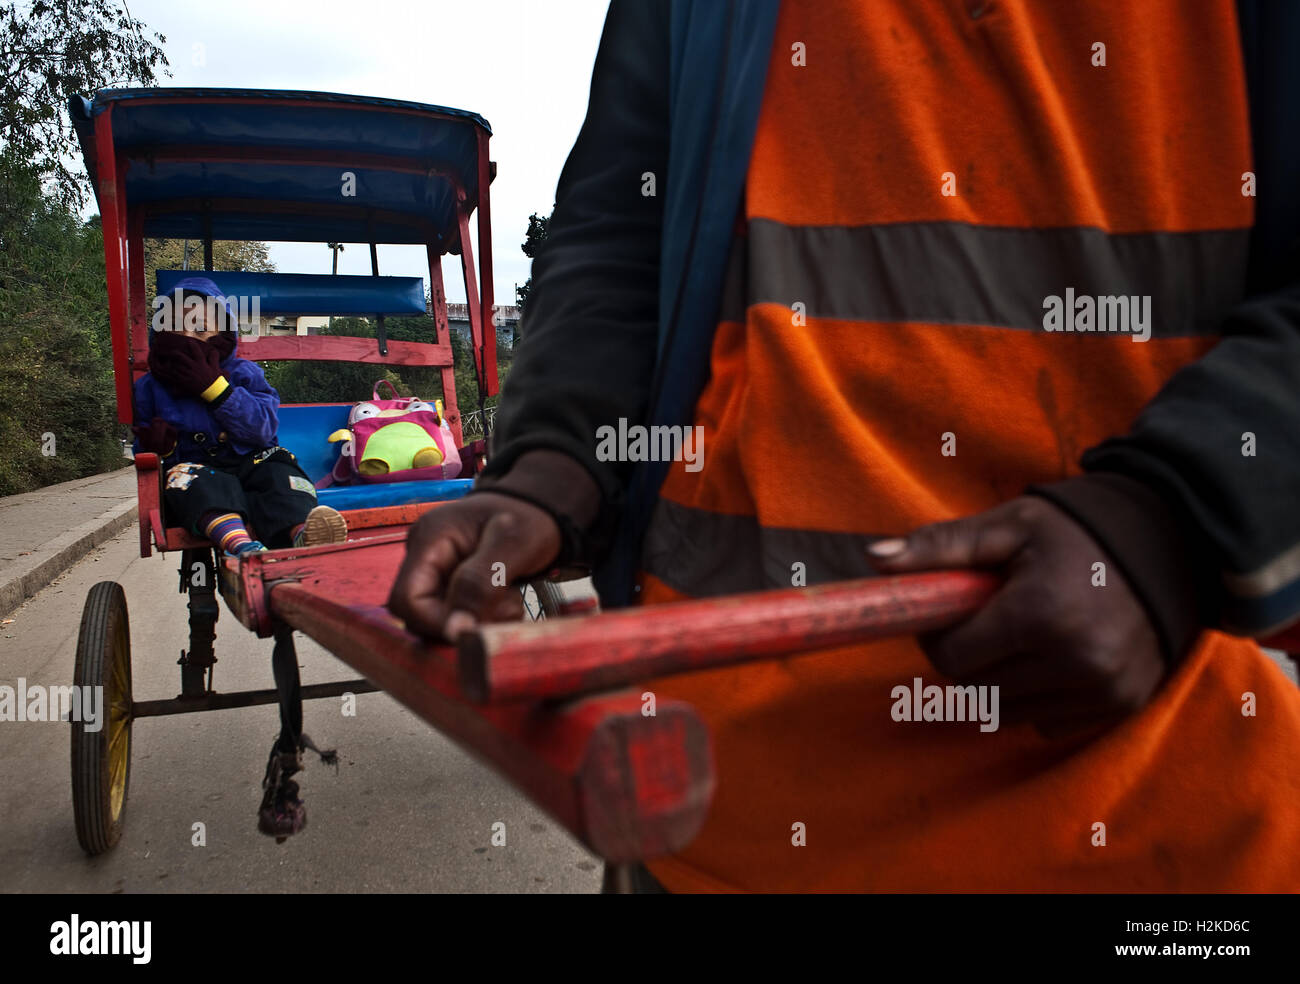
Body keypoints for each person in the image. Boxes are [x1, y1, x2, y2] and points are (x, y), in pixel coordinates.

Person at [389, 0, 1300, 891]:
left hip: (1165, 833)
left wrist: (1171, 524)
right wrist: (547, 472)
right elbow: (620, 231)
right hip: (711, 831)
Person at [133, 276, 347, 556]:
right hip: (195, 468)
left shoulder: (244, 373)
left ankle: (303, 535)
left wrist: (216, 389)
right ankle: (242, 546)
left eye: (200, 328)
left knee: (280, 471)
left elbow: (262, 429)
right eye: (175, 327)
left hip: (252, 461)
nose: (186, 337)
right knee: (188, 479)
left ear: (223, 335)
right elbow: (144, 447)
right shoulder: (151, 386)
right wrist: (163, 447)